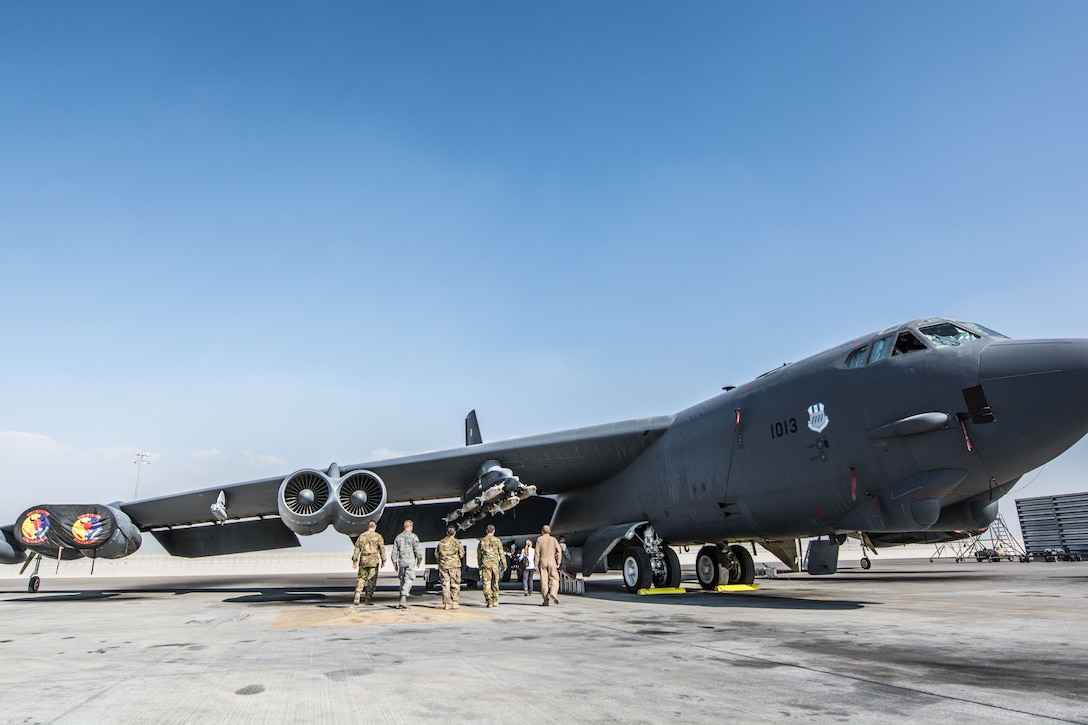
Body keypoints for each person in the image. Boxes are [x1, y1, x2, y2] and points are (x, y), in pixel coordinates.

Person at [351, 520, 387, 606]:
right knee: (371, 580)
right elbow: (381, 549)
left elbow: (357, 549)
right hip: (374, 561)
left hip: (363, 560)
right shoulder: (378, 536)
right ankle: (367, 599)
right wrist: (383, 560)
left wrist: (354, 561)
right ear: (375, 527)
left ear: (368, 526)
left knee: (361, 578)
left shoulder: (362, 536)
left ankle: (358, 593)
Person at [390, 519, 423, 609]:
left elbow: (394, 552)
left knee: (402, 580)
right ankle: (403, 599)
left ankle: (402, 596)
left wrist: (394, 563)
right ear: (411, 527)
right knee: (409, 579)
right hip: (410, 562)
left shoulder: (398, 537)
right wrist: (419, 561)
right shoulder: (414, 537)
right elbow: (418, 551)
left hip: (401, 562)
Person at [477, 524, 508, 608]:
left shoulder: (482, 541)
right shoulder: (497, 541)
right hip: (495, 565)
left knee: (486, 583)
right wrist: (504, 564)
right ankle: (495, 600)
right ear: (494, 531)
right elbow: (501, 553)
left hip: (486, 564)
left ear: (486, 531)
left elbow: (479, 554)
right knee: (495, 582)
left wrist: (480, 564)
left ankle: (489, 601)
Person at [435, 526, 466, 610]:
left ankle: (446, 604)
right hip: (454, 566)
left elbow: (437, 554)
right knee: (455, 584)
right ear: (454, 533)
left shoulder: (441, 542)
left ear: (447, 533)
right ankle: (455, 602)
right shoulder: (457, 542)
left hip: (444, 566)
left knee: (445, 584)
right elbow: (462, 554)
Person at [535, 524, 562, 606]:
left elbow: (537, 552)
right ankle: (553, 592)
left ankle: (546, 601)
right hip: (551, 560)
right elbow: (559, 551)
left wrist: (536, 564)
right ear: (549, 531)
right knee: (555, 579)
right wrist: (558, 561)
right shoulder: (553, 539)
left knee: (544, 582)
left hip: (543, 561)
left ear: (542, 531)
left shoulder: (539, 539)